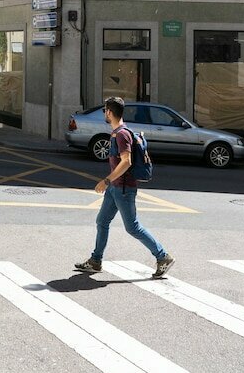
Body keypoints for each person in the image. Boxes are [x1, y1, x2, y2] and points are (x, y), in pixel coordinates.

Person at [74, 96, 174, 279]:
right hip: (115, 188)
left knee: (133, 227)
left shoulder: (121, 134)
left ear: (110, 112)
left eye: (105, 110)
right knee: (102, 221)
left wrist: (106, 180)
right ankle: (96, 260)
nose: (105, 113)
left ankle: (163, 257)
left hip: (124, 189)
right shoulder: (117, 132)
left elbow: (126, 162)